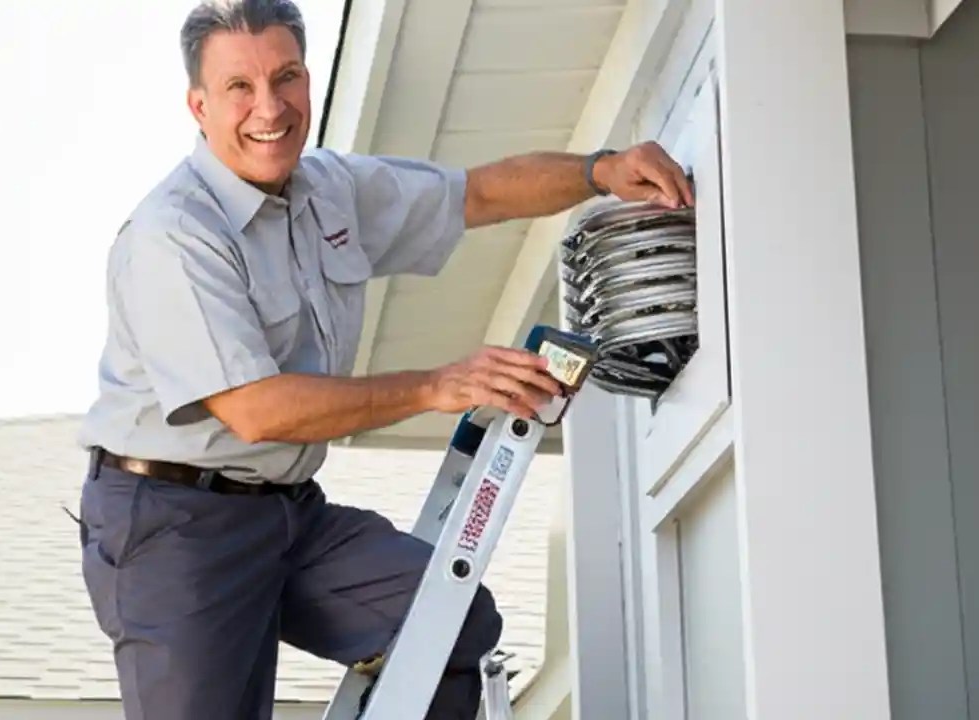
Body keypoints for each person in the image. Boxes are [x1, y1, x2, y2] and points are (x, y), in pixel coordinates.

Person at [75, 1, 693, 718]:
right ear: (199, 106)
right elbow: (255, 409)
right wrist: (437, 385)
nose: (269, 107)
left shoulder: (332, 192)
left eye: (287, 77)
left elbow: (480, 193)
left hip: (287, 515)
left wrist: (602, 170)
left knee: (448, 624)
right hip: (174, 526)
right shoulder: (174, 234)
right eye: (240, 87)